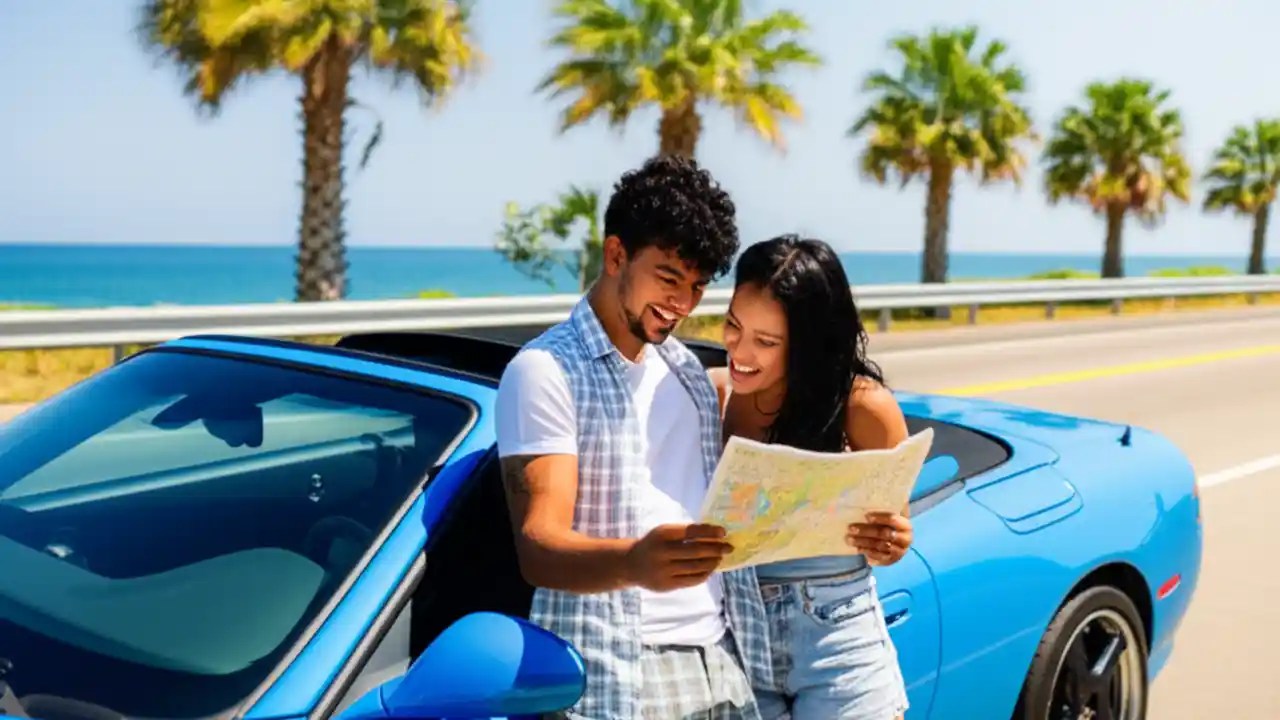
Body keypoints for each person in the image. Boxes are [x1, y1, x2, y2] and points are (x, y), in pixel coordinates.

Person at [493, 155, 775, 720]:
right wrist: (635, 562)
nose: (681, 303)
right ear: (616, 254)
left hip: (722, 657)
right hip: (617, 672)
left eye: (696, 287)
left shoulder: (688, 370)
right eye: (668, 277)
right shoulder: (546, 370)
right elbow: (538, 547)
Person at [712, 234, 914, 720]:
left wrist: (893, 539)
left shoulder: (864, 406)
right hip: (737, 639)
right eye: (733, 326)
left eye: (766, 342)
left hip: (839, 642)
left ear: (806, 345)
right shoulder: (714, 397)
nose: (740, 351)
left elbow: (894, 536)